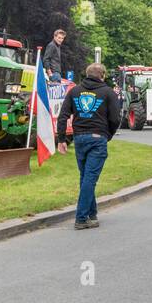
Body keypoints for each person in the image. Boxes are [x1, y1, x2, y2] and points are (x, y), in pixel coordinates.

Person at [55, 62, 122, 230]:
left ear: (87, 74)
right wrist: (109, 135)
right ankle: (81, 217)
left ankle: (92, 214)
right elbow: (115, 118)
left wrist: (61, 139)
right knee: (90, 179)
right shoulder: (108, 93)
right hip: (98, 138)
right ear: (103, 75)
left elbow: (63, 116)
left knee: (85, 177)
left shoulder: (75, 91)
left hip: (79, 139)